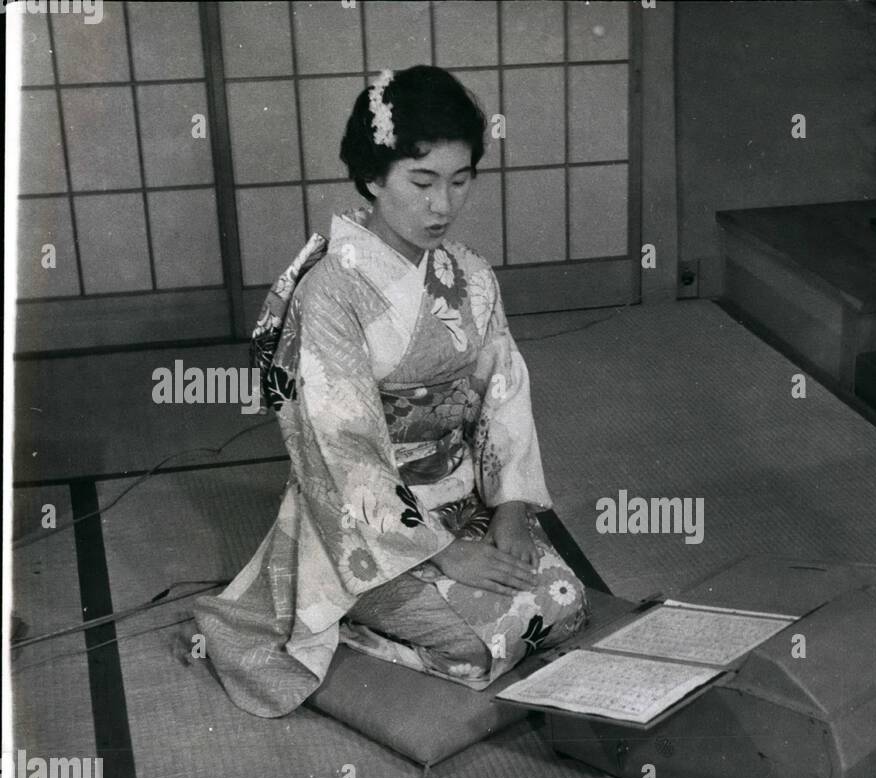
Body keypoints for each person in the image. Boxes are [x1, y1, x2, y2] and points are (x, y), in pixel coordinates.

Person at [194, 65, 588, 718]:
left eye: (460, 182)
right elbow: (339, 445)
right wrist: (444, 551)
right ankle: (342, 618)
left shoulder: (472, 277)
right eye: (423, 181)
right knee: (487, 638)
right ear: (375, 178)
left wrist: (513, 509)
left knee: (564, 603)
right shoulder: (330, 294)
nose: (443, 206)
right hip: (368, 529)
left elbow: (504, 393)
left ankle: (417, 616)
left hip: (466, 501)